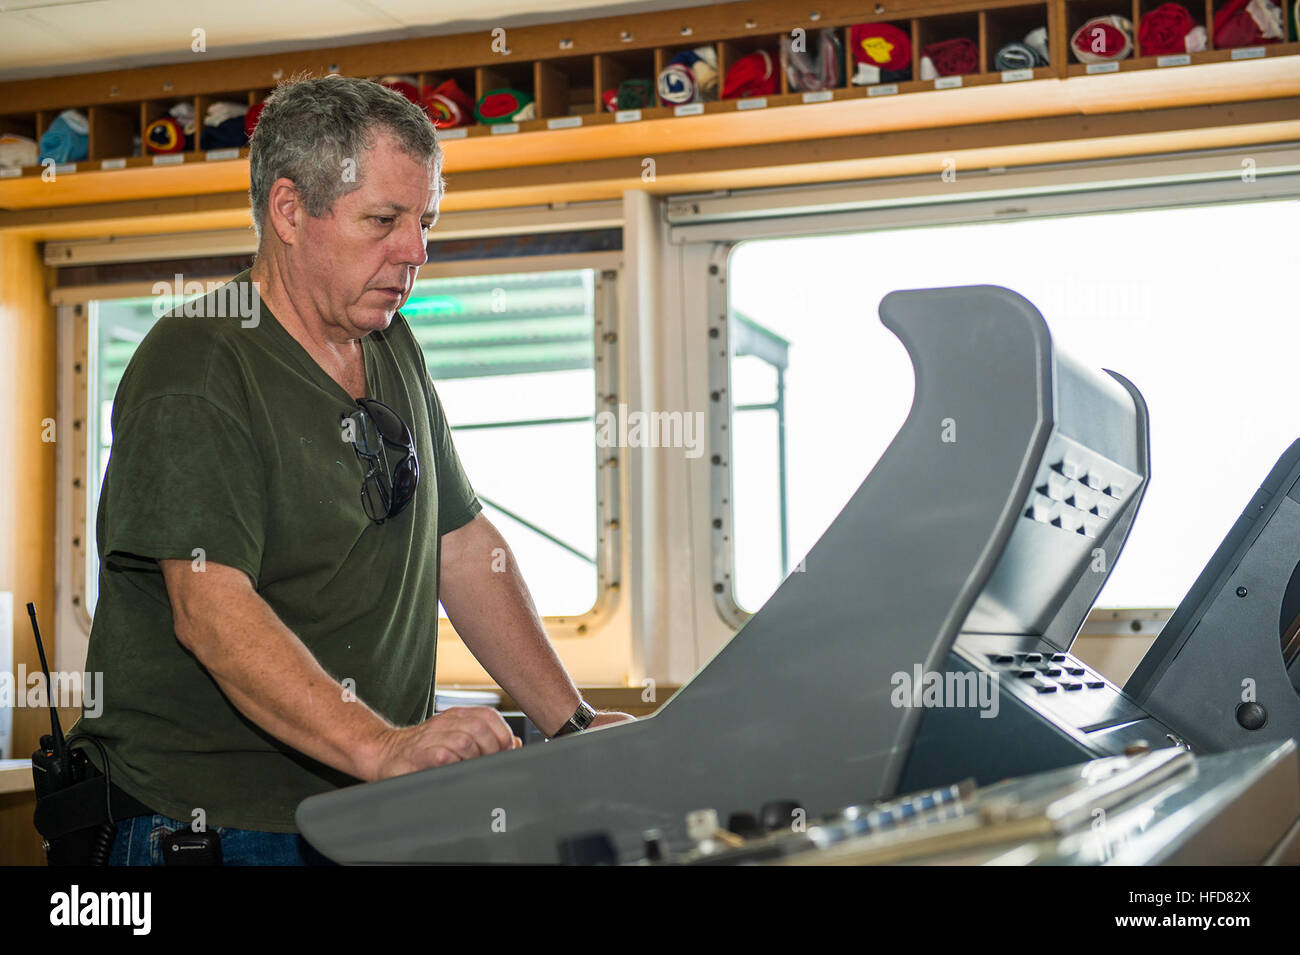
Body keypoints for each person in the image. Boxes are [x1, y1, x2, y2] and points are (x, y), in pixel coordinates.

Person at [69, 75, 633, 866]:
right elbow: (210, 606)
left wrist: (570, 727)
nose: (416, 251)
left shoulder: (391, 345)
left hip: (361, 812)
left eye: (425, 221)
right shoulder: (200, 361)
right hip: (209, 828)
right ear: (290, 211)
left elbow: (461, 544)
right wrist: (383, 747)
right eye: (384, 221)